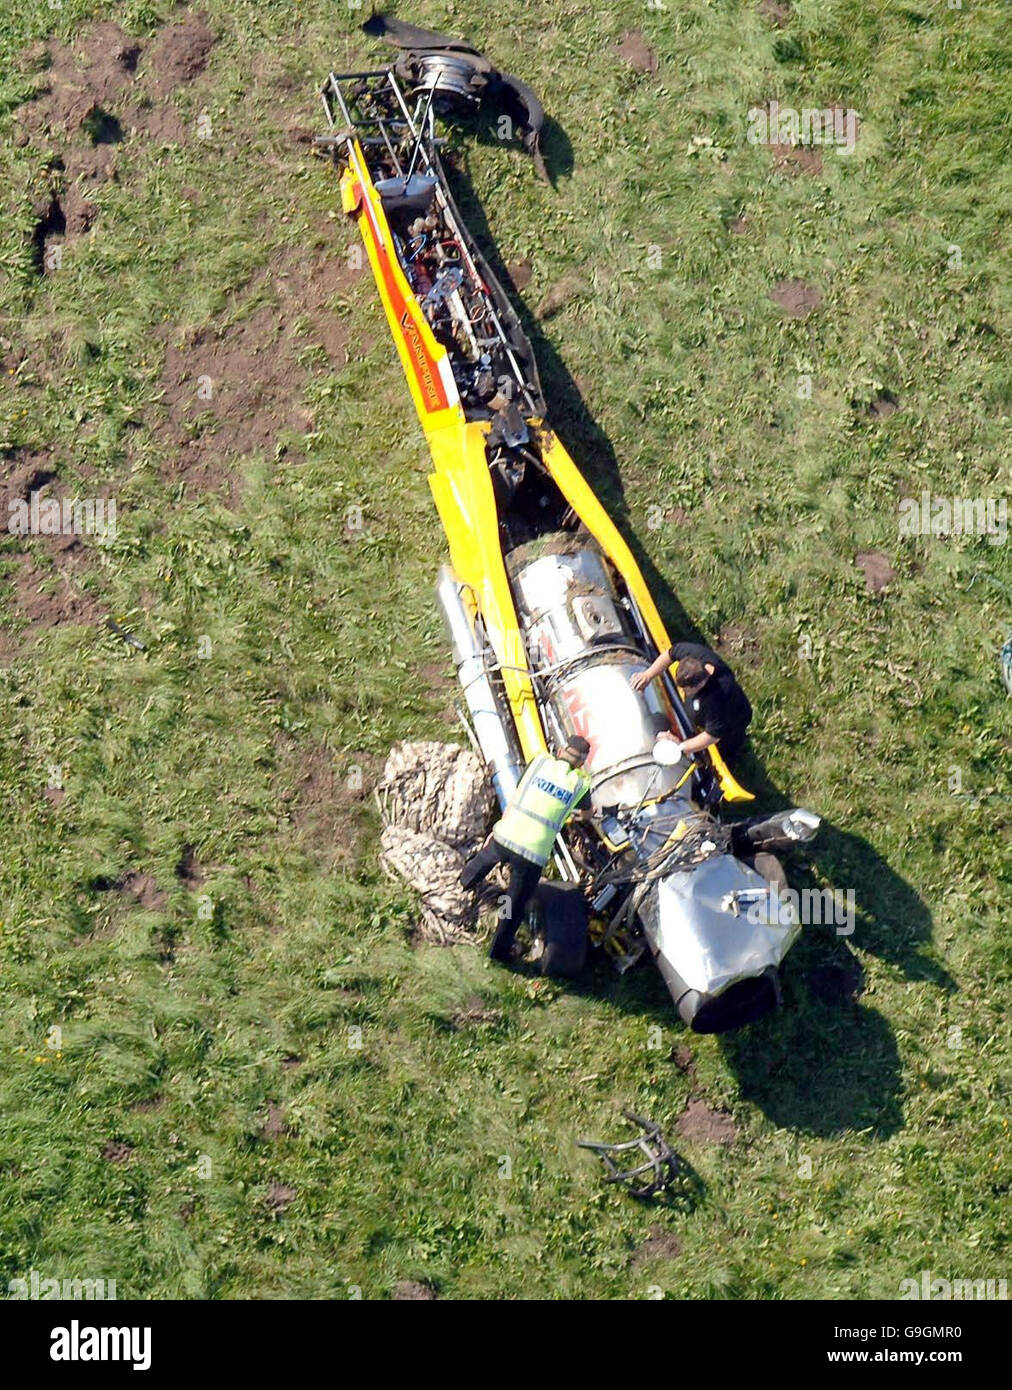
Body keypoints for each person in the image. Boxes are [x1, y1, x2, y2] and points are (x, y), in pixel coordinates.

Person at [460, 737, 592, 963]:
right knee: (514, 902)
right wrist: (577, 815)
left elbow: (521, 791)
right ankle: (499, 951)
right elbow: (587, 813)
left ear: (561, 750)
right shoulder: (580, 784)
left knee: (481, 862)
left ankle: (461, 886)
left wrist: (499, 825)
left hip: (507, 833)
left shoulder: (539, 762)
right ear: (581, 763)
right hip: (532, 853)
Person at [630, 640, 752, 769]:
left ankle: (729, 759)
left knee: (727, 745)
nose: (683, 691)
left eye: (686, 689)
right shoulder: (694, 655)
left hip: (734, 718)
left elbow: (712, 736)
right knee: (691, 712)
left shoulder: (718, 697)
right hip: (702, 703)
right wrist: (648, 675)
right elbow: (670, 654)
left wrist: (679, 748)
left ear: (699, 684)